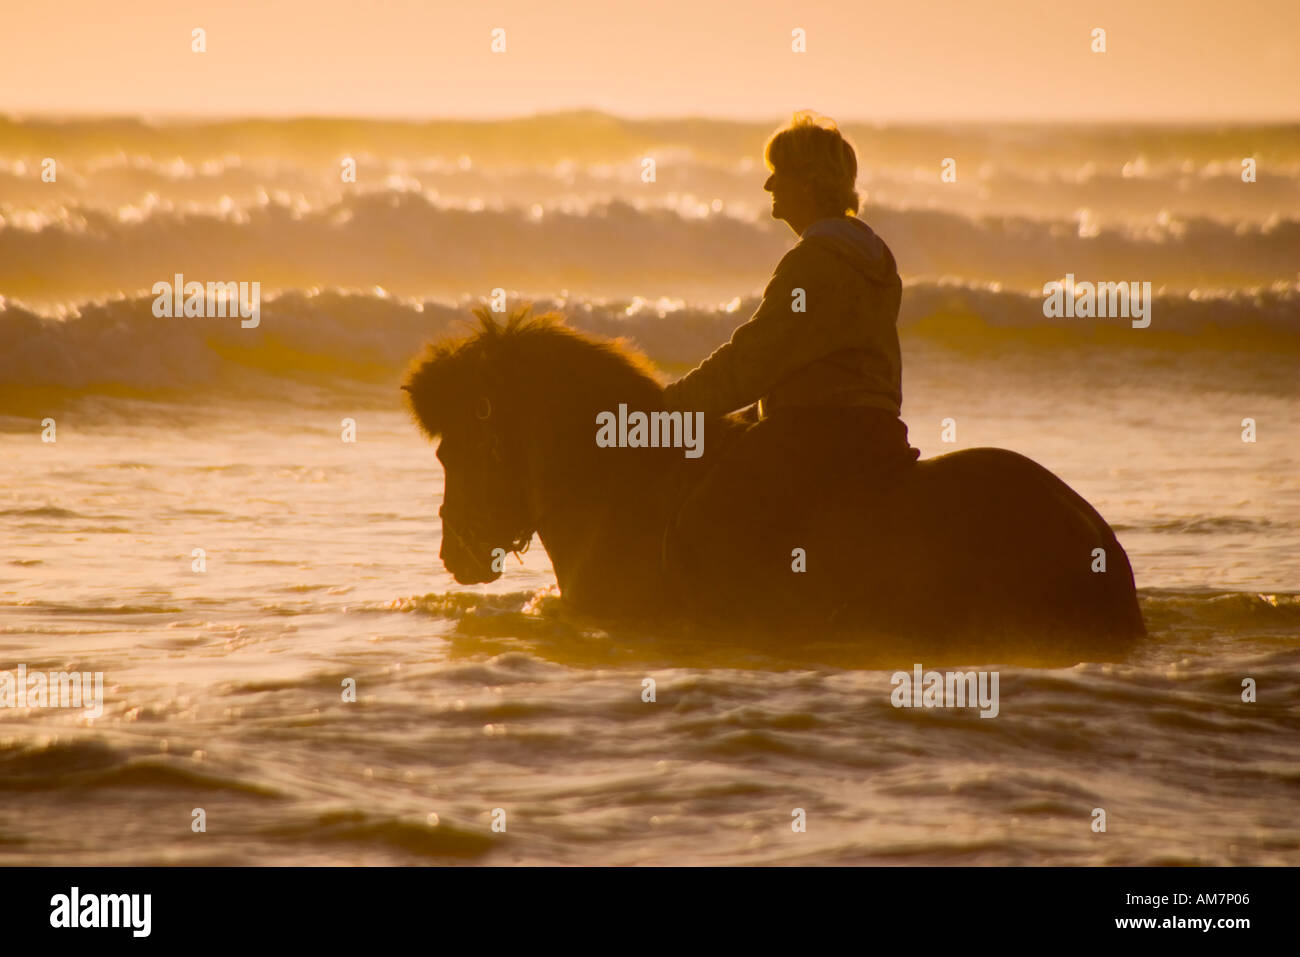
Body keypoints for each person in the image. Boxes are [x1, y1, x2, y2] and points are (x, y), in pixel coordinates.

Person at [662, 111, 919, 573]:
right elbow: (807, 358)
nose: (767, 186)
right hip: (877, 431)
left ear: (807, 183)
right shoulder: (876, 258)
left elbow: (751, 363)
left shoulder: (813, 261)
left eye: (778, 173)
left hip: (815, 434)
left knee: (698, 526)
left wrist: (668, 406)